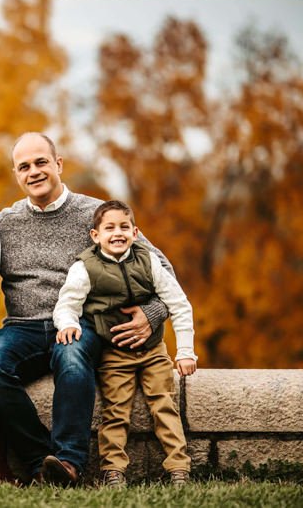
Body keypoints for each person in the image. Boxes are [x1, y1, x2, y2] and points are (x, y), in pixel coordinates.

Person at [0, 132, 175, 486]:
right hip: (23, 325)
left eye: (41, 162)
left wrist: (153, 312)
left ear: (58, 164)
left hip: (80, 322)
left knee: (72, 359)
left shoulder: (96, 215)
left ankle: (68, 462)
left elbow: (162, 269)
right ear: (16, 174)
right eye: (24, 167)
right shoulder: (2, 223)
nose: (34, 172)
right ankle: (41, 463)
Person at [54, 200, 197, 487]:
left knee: (164, 404)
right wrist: (68, 323)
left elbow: (179, 304)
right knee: (116, 412)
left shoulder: (148, 261)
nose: (117, 233)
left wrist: (185, 351)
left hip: (154, 352)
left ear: (135, 232)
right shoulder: (85, 267)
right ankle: (113, 471)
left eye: (124, 227)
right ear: (96, 235)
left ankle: (179, 468)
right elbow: (66, 303)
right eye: (109, 228)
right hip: (114, 354)